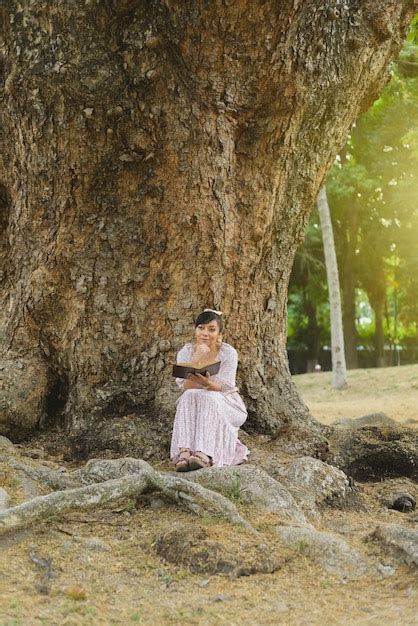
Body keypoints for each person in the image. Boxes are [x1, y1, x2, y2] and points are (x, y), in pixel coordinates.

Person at [170, 308, 249, 471]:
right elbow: (186, 386)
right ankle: (184, 452)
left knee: (209, 397)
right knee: (188, 395)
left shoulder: (228, 353)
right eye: (201, 328)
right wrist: (197, 357)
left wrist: (207, 383)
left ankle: (204, 454)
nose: (205, 333)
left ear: (219, 335)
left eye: (211, 329)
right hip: (197, 398)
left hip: (226, 401)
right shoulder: (186, 351)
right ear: (195, 330)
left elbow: (224, 386)